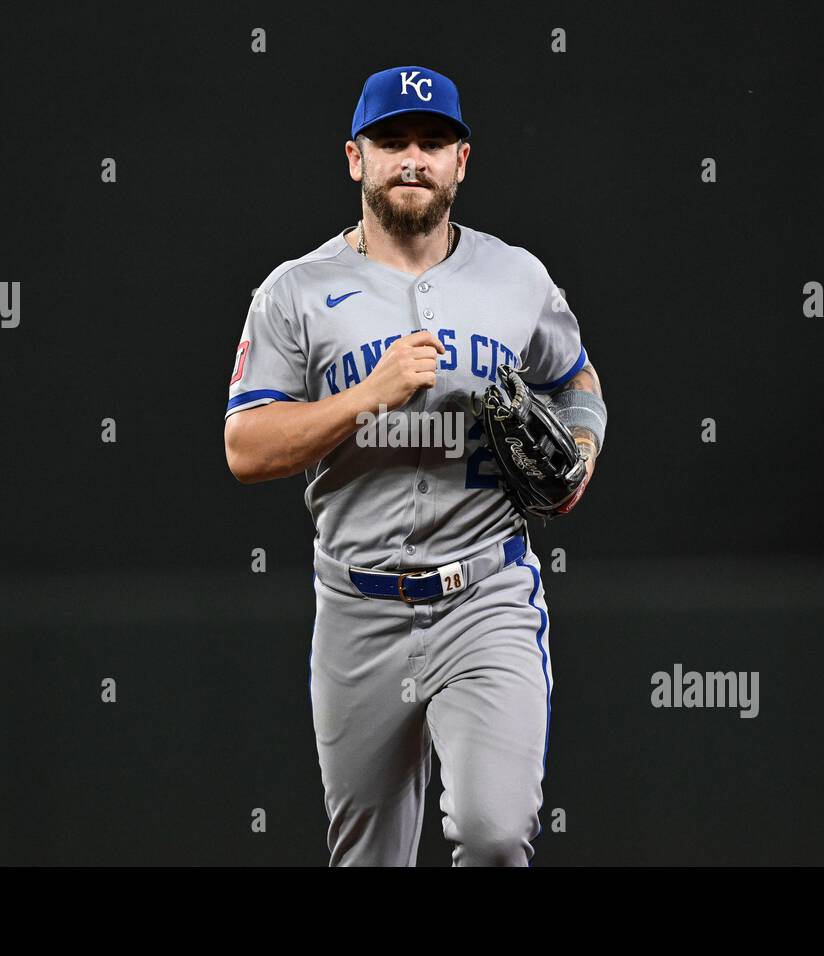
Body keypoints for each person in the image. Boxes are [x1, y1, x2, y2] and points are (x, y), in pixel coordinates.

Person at [223, 65, 607, 865]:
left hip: (485, 592)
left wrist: (580, 449)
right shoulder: (294, 291)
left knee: (496, 836)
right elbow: (247, 447)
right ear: (354, 158)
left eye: (433, 143)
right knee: (369, 859)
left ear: (461, 163)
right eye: (392, 141)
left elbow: (574, 380)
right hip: (358, 606)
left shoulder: (517, 277)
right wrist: (368, 395)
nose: (413, 158)